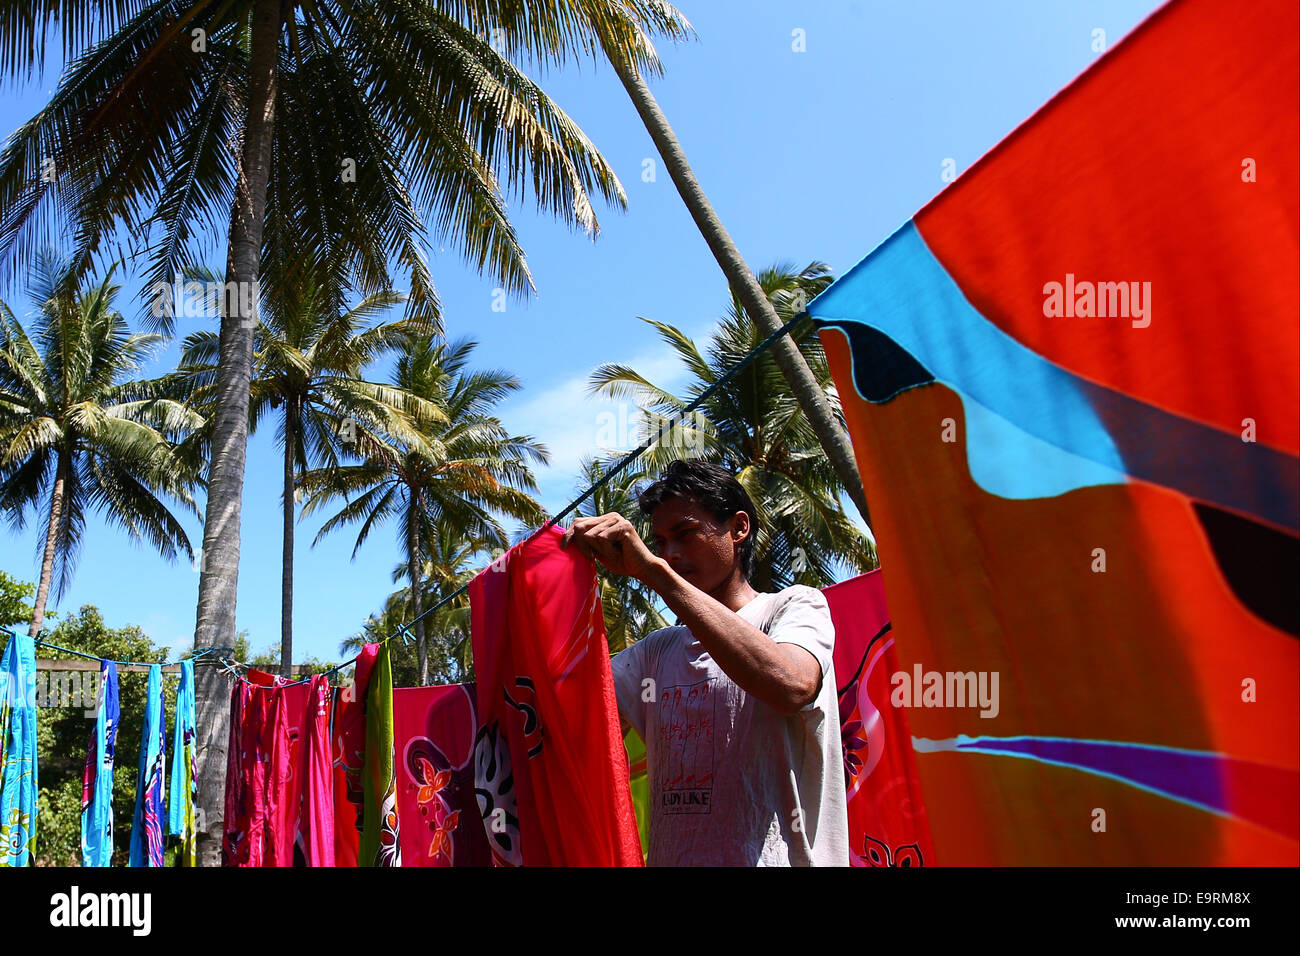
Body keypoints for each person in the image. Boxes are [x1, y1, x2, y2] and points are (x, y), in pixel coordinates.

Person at [561, 459, 849, 866]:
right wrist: (559, 576)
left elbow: (792, 685)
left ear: (739, 529)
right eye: (660, 543)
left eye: (685, 533)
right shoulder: (654, 652)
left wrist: (654, 573)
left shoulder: (794, 608)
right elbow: (569, 715)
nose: (671, 554)